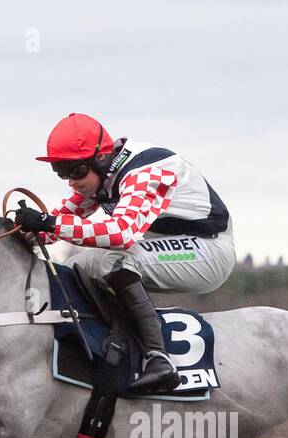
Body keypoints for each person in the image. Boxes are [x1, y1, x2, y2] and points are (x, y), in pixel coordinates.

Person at [14, 113, 237, 394]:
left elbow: (121, 233)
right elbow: (56, 226)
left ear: (101, 158)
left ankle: (159, 360)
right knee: (76, 266)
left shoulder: (146, 171)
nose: (72, 182)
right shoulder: (101, 174)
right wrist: (21, 229)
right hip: (177, 244)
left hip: (207, 252)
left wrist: (49, 222)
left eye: (77, 171)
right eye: (62, 172)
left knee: (112, 259)